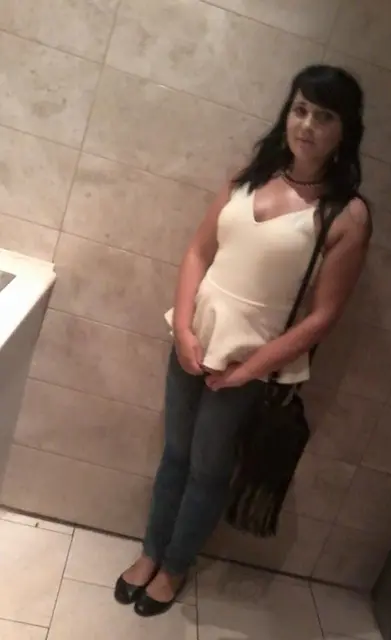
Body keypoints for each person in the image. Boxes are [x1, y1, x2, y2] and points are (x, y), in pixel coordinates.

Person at [114, 64, 372, 617]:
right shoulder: (248, 177)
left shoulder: (346, 214)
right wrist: (184, 329)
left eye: (325, 116)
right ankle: (151, 552)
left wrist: (249, 370)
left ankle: (174, 566)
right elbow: (197, 252)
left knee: (208, 469)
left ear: (345, 130)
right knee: (175, 456)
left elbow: (324, 316)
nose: (307, 125)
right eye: (300, 109)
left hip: (249, 361)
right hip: (192, 339)